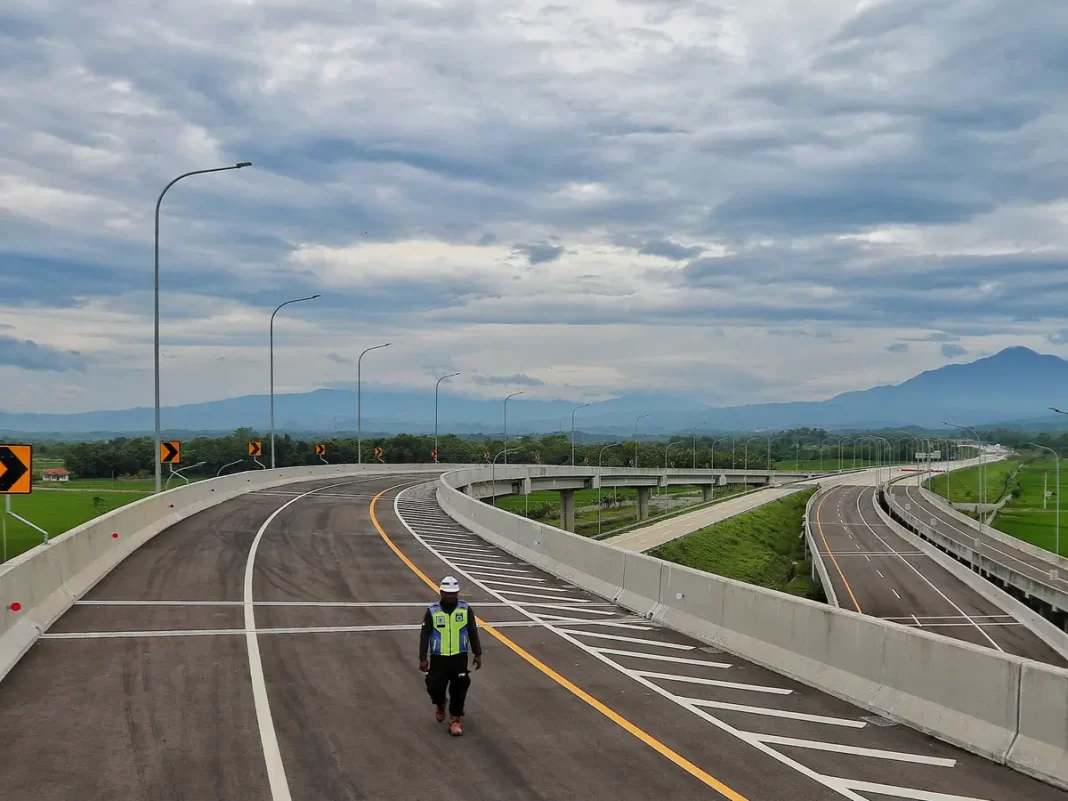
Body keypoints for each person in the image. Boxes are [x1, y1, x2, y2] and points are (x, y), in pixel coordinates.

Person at [419, 575, 483, 736]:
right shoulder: (432, 611)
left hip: (459, 657)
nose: (450, 595)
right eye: (447, 592)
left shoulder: (465, 609)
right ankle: (440, 704)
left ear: (458, 592)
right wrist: (423, 658)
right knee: (434, 686)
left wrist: (477, 653)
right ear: (441, 592)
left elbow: (472, 632)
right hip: (438, 657)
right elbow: (425, 635)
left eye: (453, 592)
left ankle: (455, 719)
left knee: (459, 689)